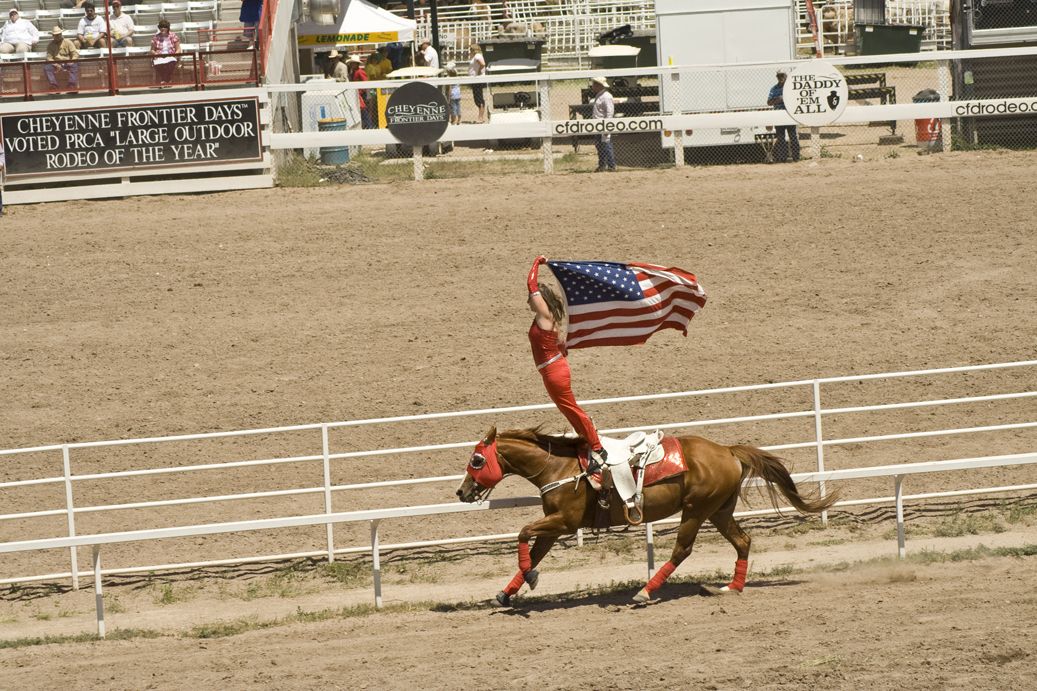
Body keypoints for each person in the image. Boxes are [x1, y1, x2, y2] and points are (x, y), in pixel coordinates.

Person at [526, 256, 608, 476]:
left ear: (541, 299)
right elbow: (562, 346)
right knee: (567, 408)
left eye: (533, 298)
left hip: (553, 371)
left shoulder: (544, 316)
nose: (529, 300)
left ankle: (596, 444)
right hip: (554, 368)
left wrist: (536, 263)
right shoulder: (548, 318)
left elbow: (531, 285)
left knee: (570, 408)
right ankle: (589, 440)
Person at [767, 69, 800, 162]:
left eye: (782, 76)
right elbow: (769, 102)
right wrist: (780, 99)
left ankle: (796, 157)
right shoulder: (774, 89)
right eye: (779, 76)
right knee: (780, 138)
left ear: (786, 76)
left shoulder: (791, 87)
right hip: (779, 115)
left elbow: (795, 99)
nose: (781, 78)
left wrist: (784, 99)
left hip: (789, 115)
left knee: (793, 136)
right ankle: (782, 158)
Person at [590, 76, 615, 172]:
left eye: (594, 84)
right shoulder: (600, 95)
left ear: (599, 85)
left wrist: (607, 127)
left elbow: (610, 112)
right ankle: (602, 165)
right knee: (600, 145)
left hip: (603, 124)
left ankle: (611, 165)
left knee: (606, 144)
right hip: (598, 125)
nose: (593, 86)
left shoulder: (606, 96)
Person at [44, 26, 80, 91]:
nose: (57, 36)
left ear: (61, 34)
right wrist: (55, 64)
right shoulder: (50, 45)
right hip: (56, 63)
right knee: (47, 67)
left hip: (68, 62)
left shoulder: (68, 42)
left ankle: (71, 85)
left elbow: (75, 53)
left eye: (58, 35)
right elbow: (49, 57)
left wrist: (71, 61)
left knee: (74, 65)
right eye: (55, 35)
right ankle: (53, 85)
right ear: (53, 36)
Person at [150, 19, 181, 85]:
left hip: (171, 55)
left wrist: (175, 55)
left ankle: (164, 80)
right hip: (159, 55)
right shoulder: (156, 37)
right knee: (157, 64)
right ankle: (167, 80)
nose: (162, 28)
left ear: (167, 28)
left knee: (171, 63)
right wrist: (155, 53)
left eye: (164, 27)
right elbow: (152, 50)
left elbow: (178, 49)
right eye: (161, 27)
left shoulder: (173, 35)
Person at [346, 54, 373, 129]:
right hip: (359, 94)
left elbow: (365, 82)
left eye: (353, 63)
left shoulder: (359, 72)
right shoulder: (354, 72)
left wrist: (361, 91)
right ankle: (367, 126)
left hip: (363, 95)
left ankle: (369, 126)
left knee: (364, 111)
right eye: (351, 63)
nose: (351, 64)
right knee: (362, 111)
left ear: (356, 64)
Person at [467, 42, 486, 123]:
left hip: (477, 79)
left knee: (479, 98)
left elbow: (482, 64)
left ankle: (480, 117)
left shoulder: (477, 56)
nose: (469, 51)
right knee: (477, 97)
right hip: (474, 79)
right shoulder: (475, 56)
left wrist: (478, 72)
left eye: (471, 49)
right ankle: (480, 116)